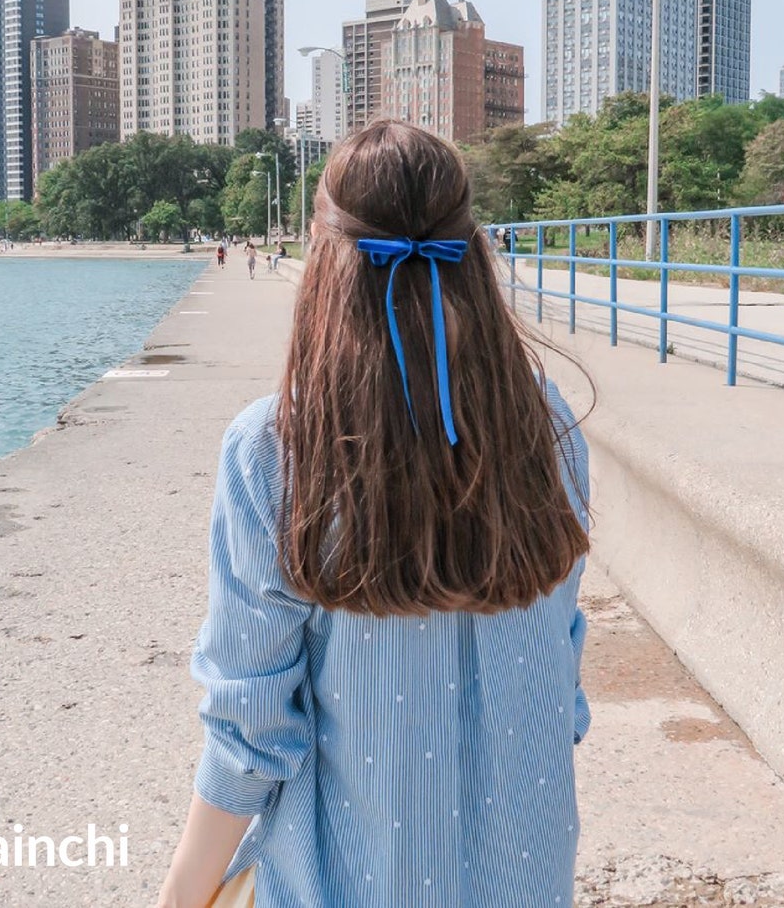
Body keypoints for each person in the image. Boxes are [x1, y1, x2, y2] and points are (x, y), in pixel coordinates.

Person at [156, 120, 591, 908]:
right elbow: (559, 655)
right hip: (526, 866)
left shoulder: (277, 448)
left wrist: (183, 890)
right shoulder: (547, 422)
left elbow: (251, 726)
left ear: (326, 260)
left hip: (348, 881)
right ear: (472, 254)